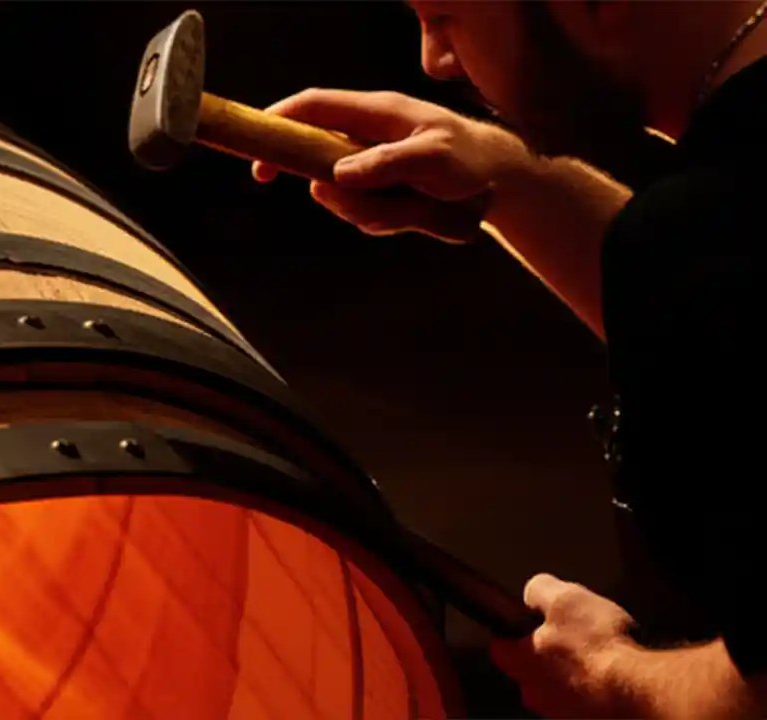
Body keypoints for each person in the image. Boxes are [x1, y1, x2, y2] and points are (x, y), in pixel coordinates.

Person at [252, 1, 765, 718]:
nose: (435, 60)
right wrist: (508, 179)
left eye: (446, 14)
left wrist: (613, 679)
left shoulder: (718, 222)